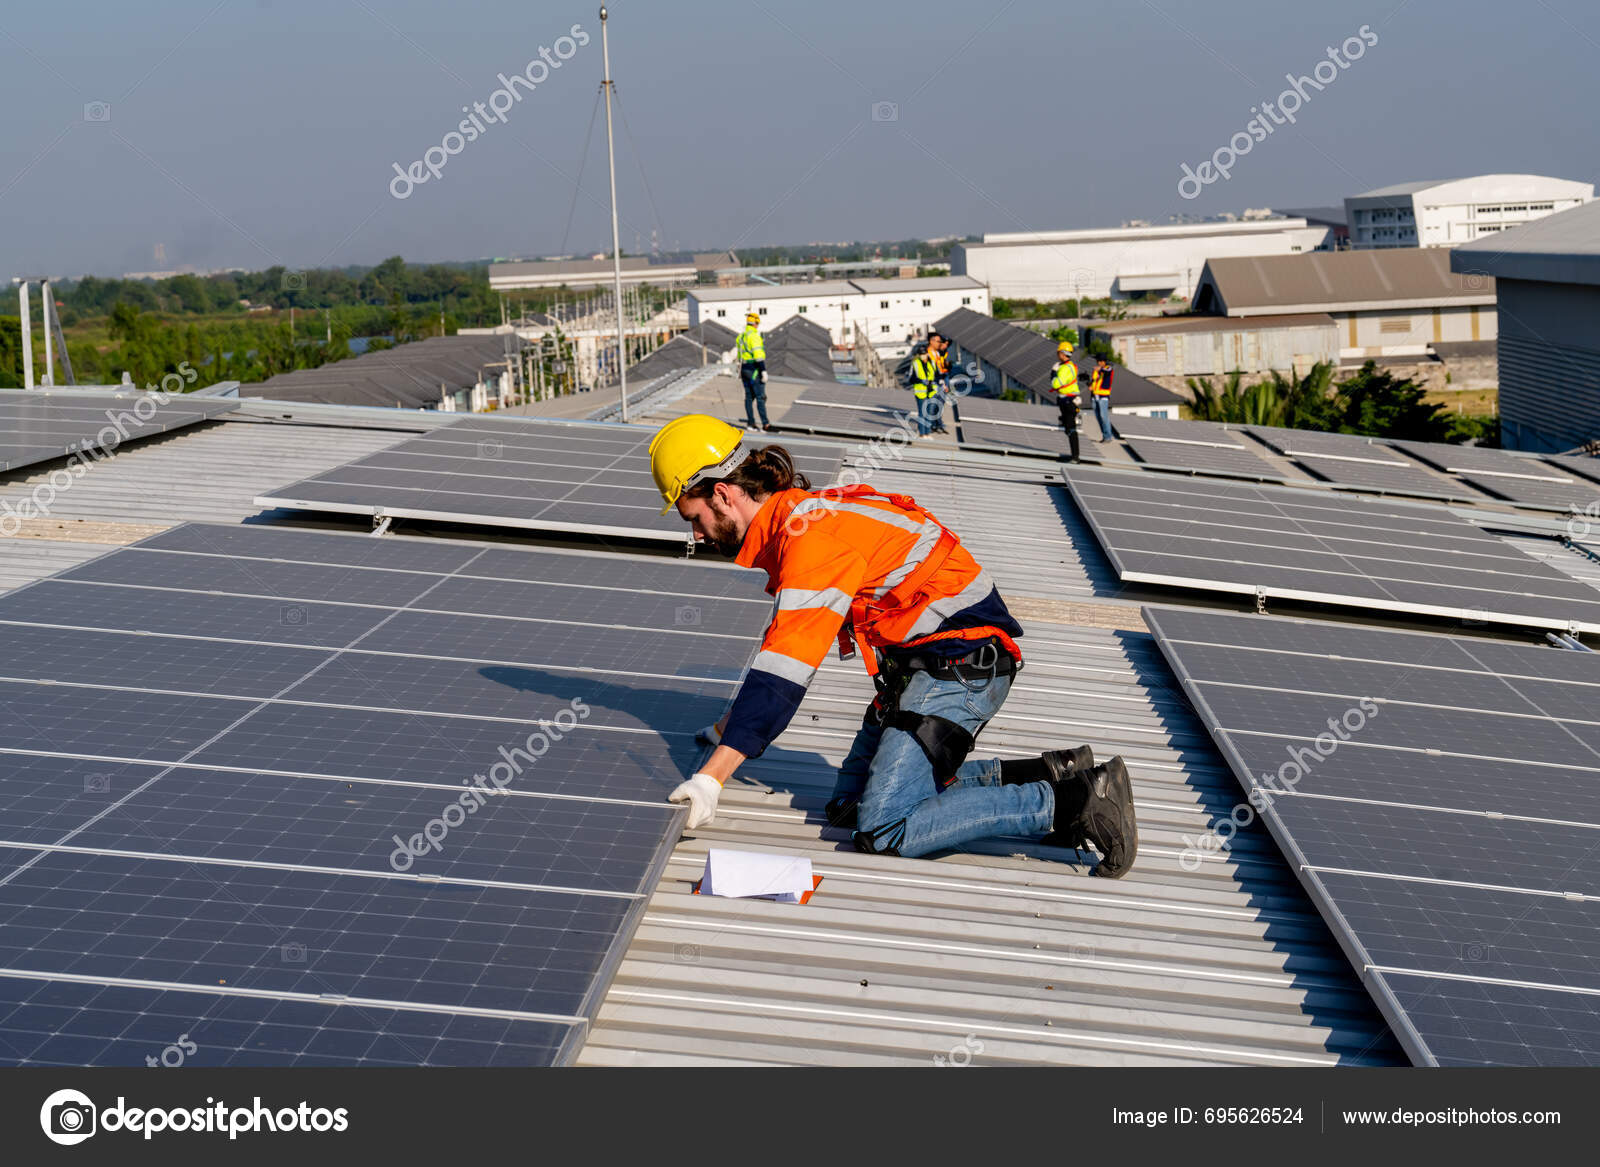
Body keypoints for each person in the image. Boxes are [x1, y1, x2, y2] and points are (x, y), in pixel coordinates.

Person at [648, 414, 1139, 876]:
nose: (695, 535)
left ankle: (1078, 802)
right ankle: (1053, 774)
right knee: (850, 809)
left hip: (963, 663)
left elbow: (786, 667)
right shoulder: (795, 521)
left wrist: (711, 778)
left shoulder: (810, 540)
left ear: (722, 494)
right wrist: (726, 728)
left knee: (884, 826)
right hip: (924, 665)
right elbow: (780, 647)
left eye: (693, 518)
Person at [736, 312, 770, 431]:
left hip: (744, 369)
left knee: (749, 397)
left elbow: (739, 355)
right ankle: (765, 424)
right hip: (754, 369)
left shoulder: (741, 337)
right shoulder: (754, 336)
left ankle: (751, 423)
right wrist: (763, 371)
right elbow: (758, 356)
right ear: (756, 323)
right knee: (760, 397)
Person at [1052, 339, 1082, 463]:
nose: (1058, 355)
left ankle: (1075, 457)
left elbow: (1055, 384)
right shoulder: (1069, 366)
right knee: (1068, 428)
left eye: (1059, 353)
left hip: (1068, 402)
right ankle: (1074, 455)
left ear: (1063, 354)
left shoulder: (1064, 369)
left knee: (1071, 429)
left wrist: (1053, 372)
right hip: (1067, 401)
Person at [909, 338, 942, 438]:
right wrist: (920, 380)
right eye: (921, 354)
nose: (923, 356)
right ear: (919, 355)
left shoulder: (932, 363)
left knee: (929, 414)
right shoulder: (915, 364)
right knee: (922, 413)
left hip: (931, 391)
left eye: (925, 354)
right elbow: (911, 379)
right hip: (921, 393)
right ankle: (922, 434)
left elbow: (938, 375)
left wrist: (938, 381)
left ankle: (927, 433)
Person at [1089, 356, 1116, 441]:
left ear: (1105, 361)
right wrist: (1090, 385)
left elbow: (1106, 372)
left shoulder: (1108, 368)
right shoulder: (1095, 370)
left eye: (1101, 361)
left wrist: (1099, 370)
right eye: (1098, 361)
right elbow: (1094, 381)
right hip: (1094, 396)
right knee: (1098, 417)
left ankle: (1108, 436)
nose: (1099, 363)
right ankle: (1104, 436)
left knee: (1104, 416)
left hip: (1103, 396)